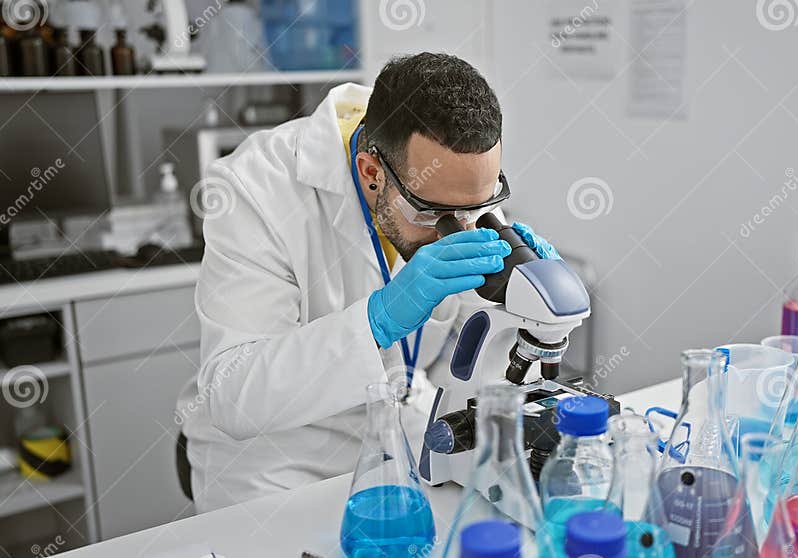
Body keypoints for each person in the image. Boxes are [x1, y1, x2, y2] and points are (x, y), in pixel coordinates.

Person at [175, 53, 560, 512]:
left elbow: (464, 356)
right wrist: (375, 322)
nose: (460, 226)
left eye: (479, 206)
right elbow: (232, 395)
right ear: (371, 173)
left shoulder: (454, 191)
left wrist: (520, 313)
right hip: (275, 460)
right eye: (435, 214)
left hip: (402, 426)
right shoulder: (253, 188)